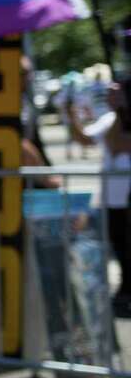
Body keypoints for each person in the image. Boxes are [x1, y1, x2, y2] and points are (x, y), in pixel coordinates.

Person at [67, 81, 131, 312]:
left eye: (118, 94)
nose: (112, 98)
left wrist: (120, 115)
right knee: (119, 247)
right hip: (112, 198)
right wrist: (70, 115)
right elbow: (85, 139)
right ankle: (125, 290)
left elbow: (116, 145)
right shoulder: (110, 119)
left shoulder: (116, 121)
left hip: (127, 197)